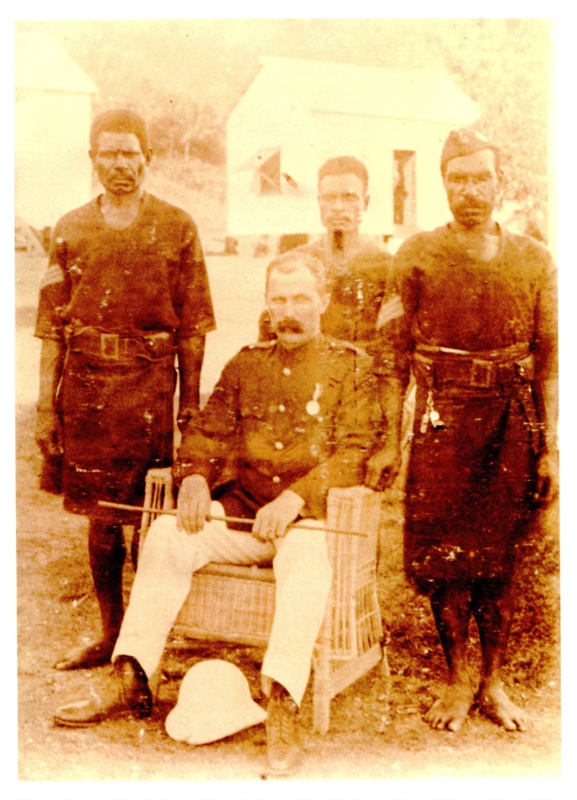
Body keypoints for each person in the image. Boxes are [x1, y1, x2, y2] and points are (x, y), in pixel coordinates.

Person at [53, 252, 382, 775]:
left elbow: (356, 450)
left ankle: (282, 701)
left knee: (308, 561)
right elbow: (207, 431)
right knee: (165, 536)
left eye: (301, 298)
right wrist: (198, 477)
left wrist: (296, 497)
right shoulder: (245, 363)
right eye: (279, 298)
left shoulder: (351, 367)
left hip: (306, 519)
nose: (289, 310)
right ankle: (132, 675)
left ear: (323, 301)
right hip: (244, 515)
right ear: (267, 304)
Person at [366, 129, 558, 733]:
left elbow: (551, 361)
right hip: (442, 417)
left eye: (481, 177)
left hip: (511, 420)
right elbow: (393, 358)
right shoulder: (415, 254)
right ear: (443, 183)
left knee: (499, 560)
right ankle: (456, 678)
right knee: (444, 558)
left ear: (501, 182)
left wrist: (551, 446)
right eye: (458, 179)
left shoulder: (535, 258)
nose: (470, 190)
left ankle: (493, 682)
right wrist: (385, 441)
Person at [34, 109, 216, 671]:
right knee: (102, 519)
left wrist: (190, 411)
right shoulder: (68, 229)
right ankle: (110, 634)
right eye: (107, 153)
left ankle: (148, 640)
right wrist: (47, 407)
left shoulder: (178, 225)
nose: (119, 164)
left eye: (130, 153)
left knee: (154, 516)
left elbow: (193, 330)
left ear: (147, 158)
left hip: (150, 388)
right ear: (93, 159)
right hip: (87, 391)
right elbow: (50, 331)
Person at [260, 155, 393, 355]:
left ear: (365, 203)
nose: (338, 207)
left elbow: (398, 352)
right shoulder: (293, 264)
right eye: (329, 197)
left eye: (349, 197)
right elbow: (268, 343)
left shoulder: (388, 268)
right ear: (319, 202)